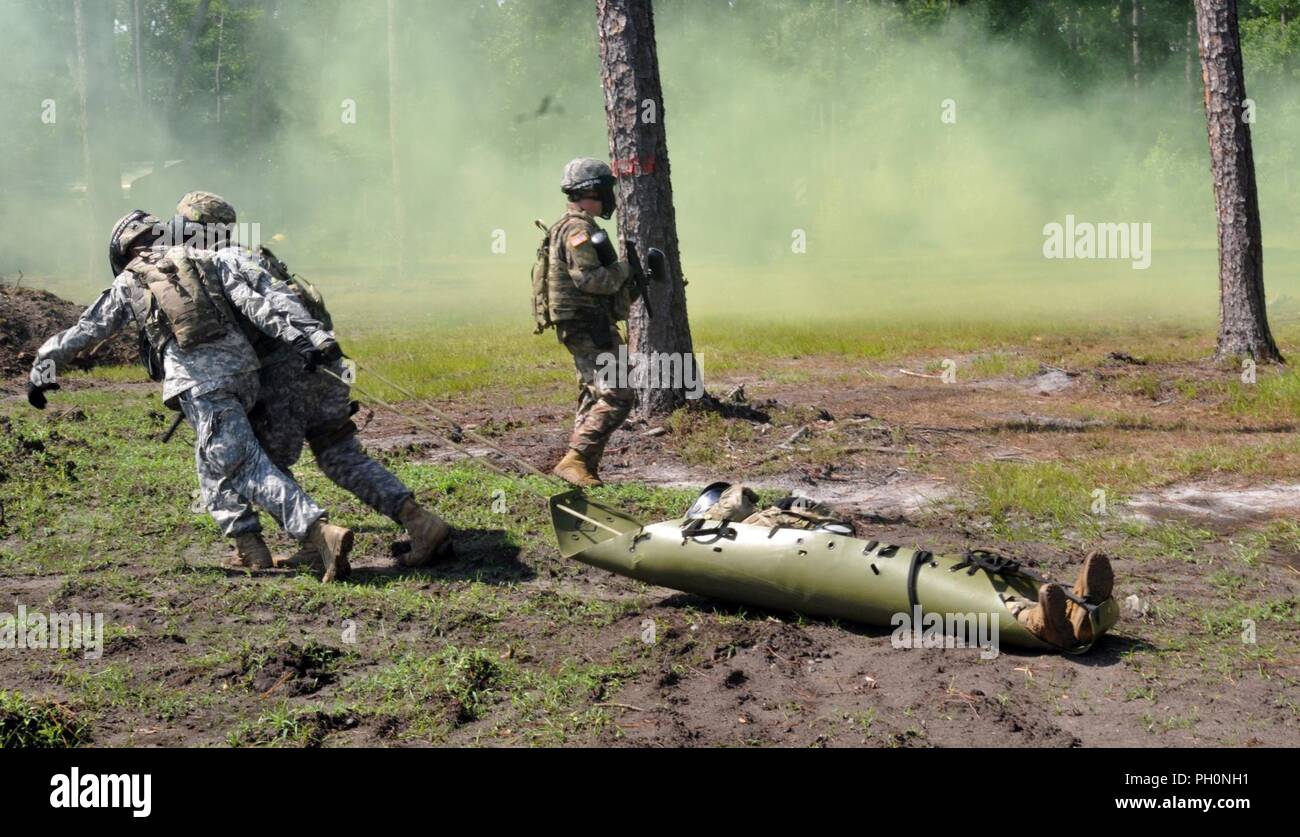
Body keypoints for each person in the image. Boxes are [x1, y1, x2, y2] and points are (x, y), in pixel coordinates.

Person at [26, 211, 353, 582]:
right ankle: (250, 548)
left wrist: (43, 367)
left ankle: (317, 532)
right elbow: (256, 302)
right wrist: (302, 338)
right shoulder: (205, 258)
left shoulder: (131, 278)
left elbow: (88, 330)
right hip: (246, 374)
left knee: (244, 464)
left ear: (123, 250)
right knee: (211, 457)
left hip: (201, 384)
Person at [173, 191, 451, 567]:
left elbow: (264, 310)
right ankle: (421, 524)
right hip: (323, 368)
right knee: (339, 454)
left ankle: (312, 542)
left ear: (193, 230)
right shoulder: (258, 256)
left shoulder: (219, 264)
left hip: (285, 378)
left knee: (261, 466)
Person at [538, 158, 636, 486]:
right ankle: (576, 459)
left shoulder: (569, 226)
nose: (610, 198)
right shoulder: (578, 230)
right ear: (591, 191)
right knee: (619, 393)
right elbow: (593, 281)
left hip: (584, 322)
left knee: (593, 394)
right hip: (586, 323)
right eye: (605, 190)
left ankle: (582, 469)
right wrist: (625, 270)